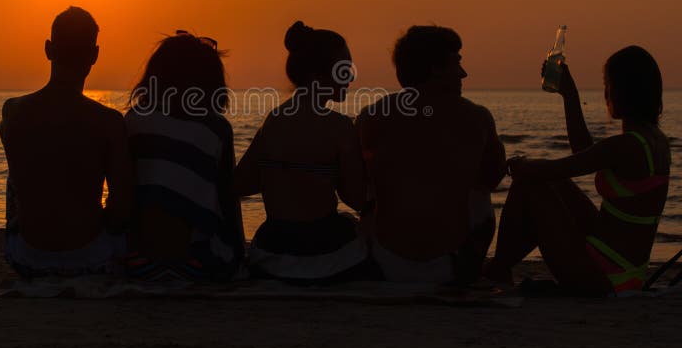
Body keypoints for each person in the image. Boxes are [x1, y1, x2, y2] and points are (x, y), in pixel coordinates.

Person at [485, 46, 670, 295]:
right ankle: (499, 267)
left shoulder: (627, 145)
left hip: (605, 278)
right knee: (553, 182)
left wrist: (520, 165)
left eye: (608, 85)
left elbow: (561, 167)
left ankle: (498, 268)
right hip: (625, 271)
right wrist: (569, 95)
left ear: (622, 91)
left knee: (530, 183)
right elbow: (584, 152)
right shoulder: (655, 139)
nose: (605, 93)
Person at [356, 25, 505, 284]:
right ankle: (495, 267)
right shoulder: (477, 118)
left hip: (385, 263)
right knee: (480, 192)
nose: (463, 73)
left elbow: (355, 186)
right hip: (452, 267)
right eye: (456, 63)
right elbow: (492, 178)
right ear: (435, 69)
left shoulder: (370, 117)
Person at [0, 7, 133, 277]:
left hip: (27, 255)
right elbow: (121, 206)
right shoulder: (109, 123)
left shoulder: (13, 111)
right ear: (94, 55)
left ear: (48, 49)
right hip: (89, 256)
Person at [234, 21, 371, 284]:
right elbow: (356, 198)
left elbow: (241, 183)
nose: (351, 78)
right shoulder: (340, 127)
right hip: (324, 256)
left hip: (273, 253)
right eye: (345, 69)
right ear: (317, 74)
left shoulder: (272, 122)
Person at [124, 31, 244, 281]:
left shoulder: (134, 120)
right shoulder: (216, 129)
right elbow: (228, 200)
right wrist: (238, 255)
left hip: (138, 262)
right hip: (196, 263)